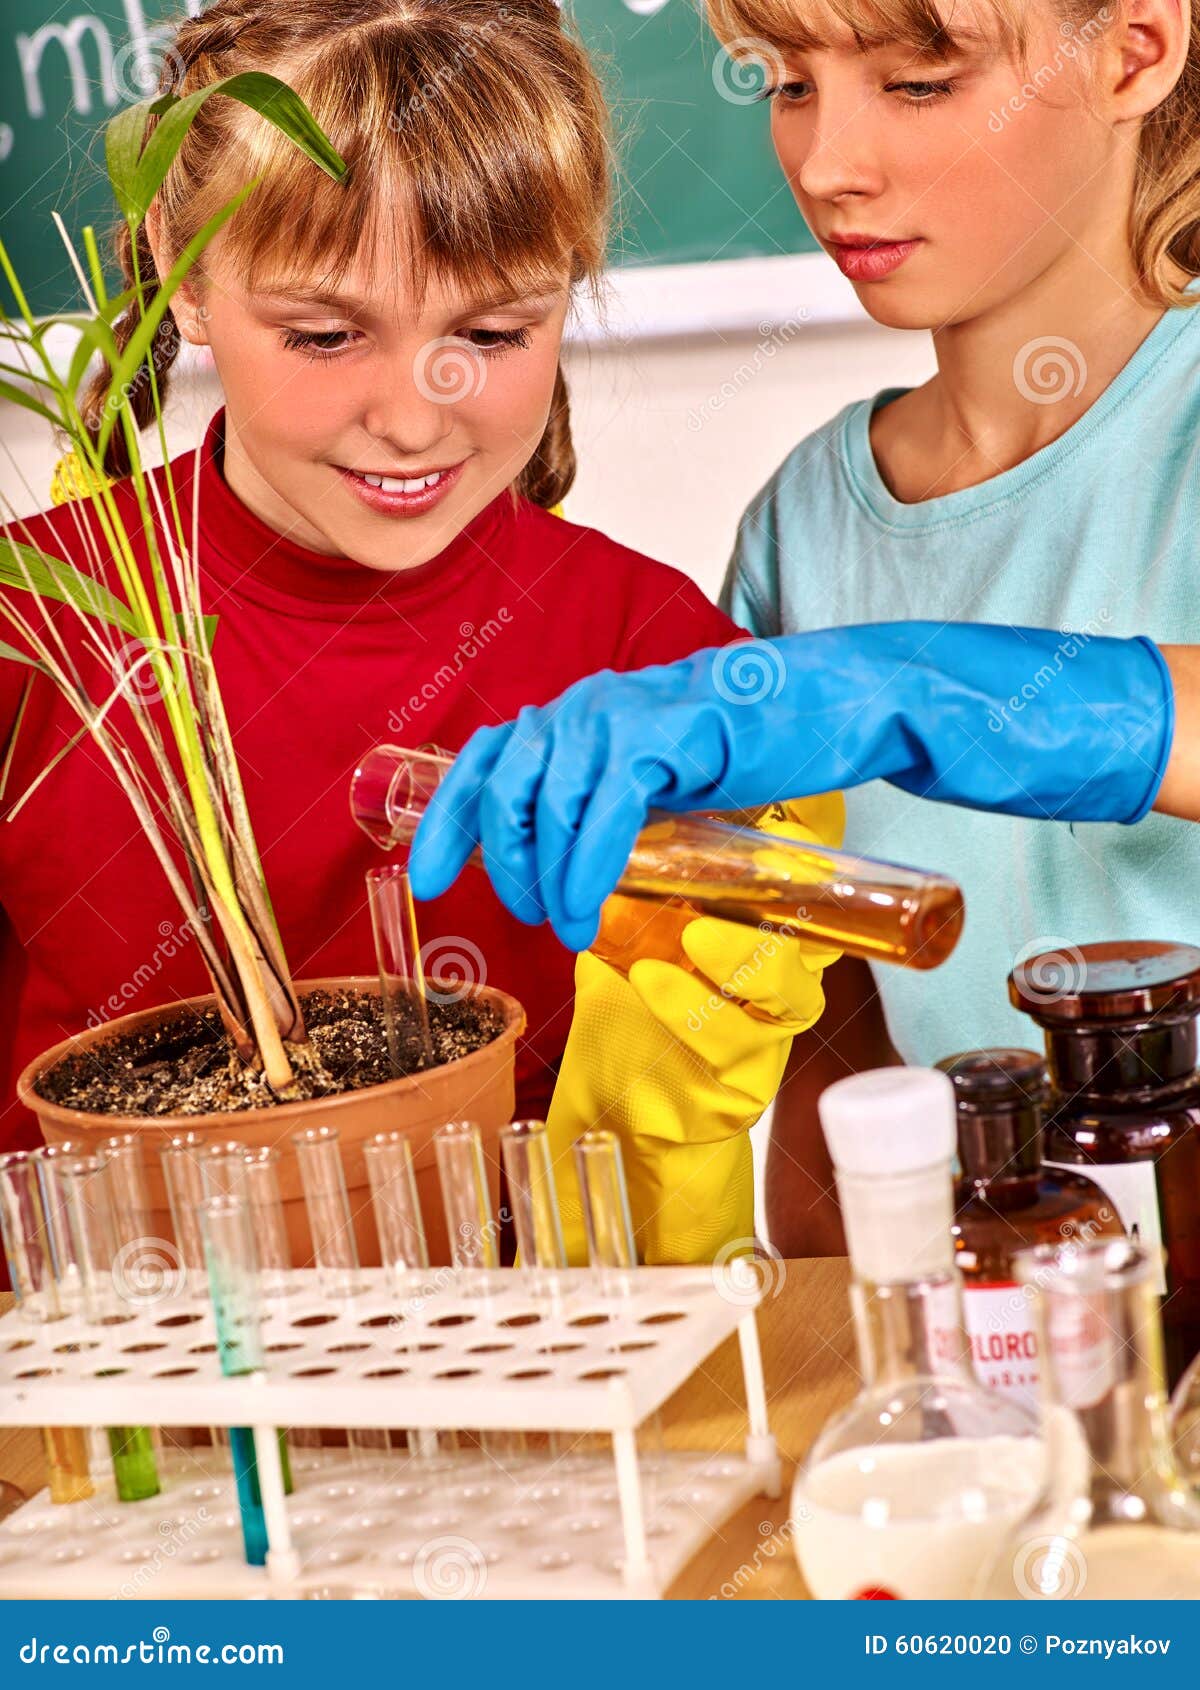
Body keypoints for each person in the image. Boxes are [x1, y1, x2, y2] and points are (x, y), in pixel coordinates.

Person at [0, 0, 840, 1271]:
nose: (411, 416)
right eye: (325, 335)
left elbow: (676, 1194)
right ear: (182, 264)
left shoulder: (655, 661)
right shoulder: (35, 628)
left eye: (492, 334)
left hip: (526, 1370)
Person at [407, 0, 1200, 1252]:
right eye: (788, 84)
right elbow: (843, 1074)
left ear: (1134, 50)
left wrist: (912, 687)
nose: (828, 166)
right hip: (1014, 1311)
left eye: (920, 82)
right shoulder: (809, 521)